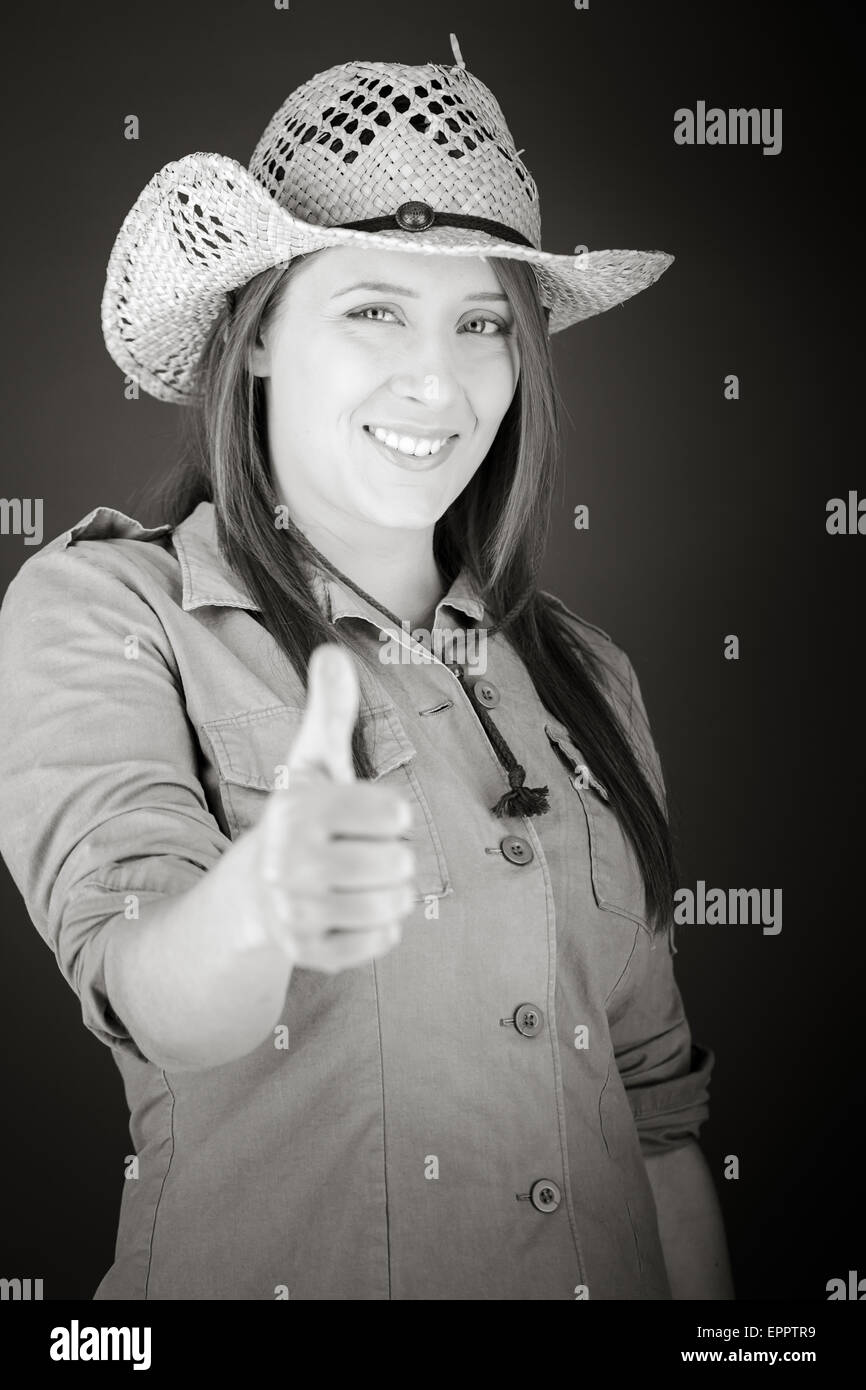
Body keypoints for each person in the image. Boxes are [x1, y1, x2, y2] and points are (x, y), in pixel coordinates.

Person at [0, 34, 733, 1300]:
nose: (437, 380)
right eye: (374, 309)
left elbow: (655, 1120)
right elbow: (149, 982)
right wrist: (260, 905)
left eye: (481, 324)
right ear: (262, 333)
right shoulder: (109, 608)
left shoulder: (586, 679)